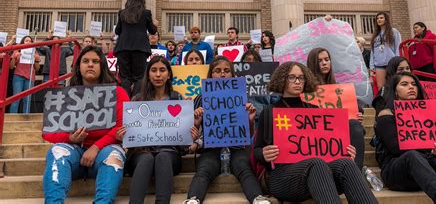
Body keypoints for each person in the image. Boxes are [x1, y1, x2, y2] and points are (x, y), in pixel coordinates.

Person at [254, 61, 378, 204]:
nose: (297, 81)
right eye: (292, 77)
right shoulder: (270, 112)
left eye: (301, 78)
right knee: (316, 163)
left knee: (346, 163)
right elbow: (256, 150)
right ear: (282, 79)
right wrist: (264, 153)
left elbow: (328, 146)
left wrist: (345, 151)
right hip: (283, 176)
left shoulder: (316, 111)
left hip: (320, 174)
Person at [42, 46, 129, 203]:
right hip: (74, 151)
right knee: (56, 152)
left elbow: (122, 126)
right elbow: (48, 132)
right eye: (85, 61)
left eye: (95, 61)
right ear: (78, 66)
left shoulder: (118, 92)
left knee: (114, 156)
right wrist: (70, 138)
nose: (90, 64)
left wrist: (96, 147)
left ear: (102, 66)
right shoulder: (64, 96)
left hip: (105, 151)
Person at [375, 72, 436, 204]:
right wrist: (434, 160)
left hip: (430, 171)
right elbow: (397, 148)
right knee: (412, 155)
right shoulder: (386, 115)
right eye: (404, 84)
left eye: (414, 84)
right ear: (395, 92)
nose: (411, 87)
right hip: (399, 172)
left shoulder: (428, 113)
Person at [183, 56, 270, 204]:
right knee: (204, 169)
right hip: (211, 149)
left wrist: (249, 120)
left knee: (244, 167)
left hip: (236, 148)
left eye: (226, 71)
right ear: (211, 75)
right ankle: (193, 199)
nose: (222, 74)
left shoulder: (241, 97)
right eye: (217, 71)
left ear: (232, 75)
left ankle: (258, 198)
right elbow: (192, 135)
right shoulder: (200, 98)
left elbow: (248, 134)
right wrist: (196, 123)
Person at [116, 56, 185, 204]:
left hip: (169, 154)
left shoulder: (178, 99)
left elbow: (183, 143)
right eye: (153, 70)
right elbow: (130, 136)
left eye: (162, 70)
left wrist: (190, 135)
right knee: (147, 158)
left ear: (169, 75)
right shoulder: (137, 100)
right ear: (148, 74)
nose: (158, 75)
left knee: (163, 156)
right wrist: (123, 136)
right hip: (141, 154)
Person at [306, 47, 366, 169]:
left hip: (339, 130)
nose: (324, 63)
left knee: (355, 125)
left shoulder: (339, 88)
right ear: (313, 63)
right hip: (317, 132)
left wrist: (356, 115)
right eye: (319, 61)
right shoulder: (306, 90)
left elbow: (353, 109)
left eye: (327, 59)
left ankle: (356, 174)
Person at [114, 0, 158, 96]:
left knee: (125, 77)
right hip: (140, 48)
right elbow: (152, 31)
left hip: (123, 48)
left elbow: (117, 31)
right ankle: (136, 101)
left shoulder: (122, 13)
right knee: (139, 77)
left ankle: (125, 100)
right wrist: (155, 24)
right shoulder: (146, 13)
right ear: (142, 1)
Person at [8, 36, 41, 113]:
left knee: (27, 99)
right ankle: (12, 116)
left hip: (30, 77)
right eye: (26, 41)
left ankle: (25, 117)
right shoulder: (18, 50)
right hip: (18, 76)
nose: (28, 42)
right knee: (16, 98)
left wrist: (36, 60)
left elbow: (37, 69)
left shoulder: (34, 51)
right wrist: (13, 57)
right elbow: (11, 66)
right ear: (23, 42)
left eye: (30, 41)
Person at [369, 12, 402, 89]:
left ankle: (393, 101)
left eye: (381, 18)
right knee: (381, 87)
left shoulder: (394, 31)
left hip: (391, 62)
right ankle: (384, 101)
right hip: (379, 64)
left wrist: (397, 61)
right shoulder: (376, 34)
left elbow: (398, 46)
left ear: (386, 19)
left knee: (393, 85)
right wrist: (371, 65)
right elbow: (372, 51)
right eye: (377, 18)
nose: (379, 20)